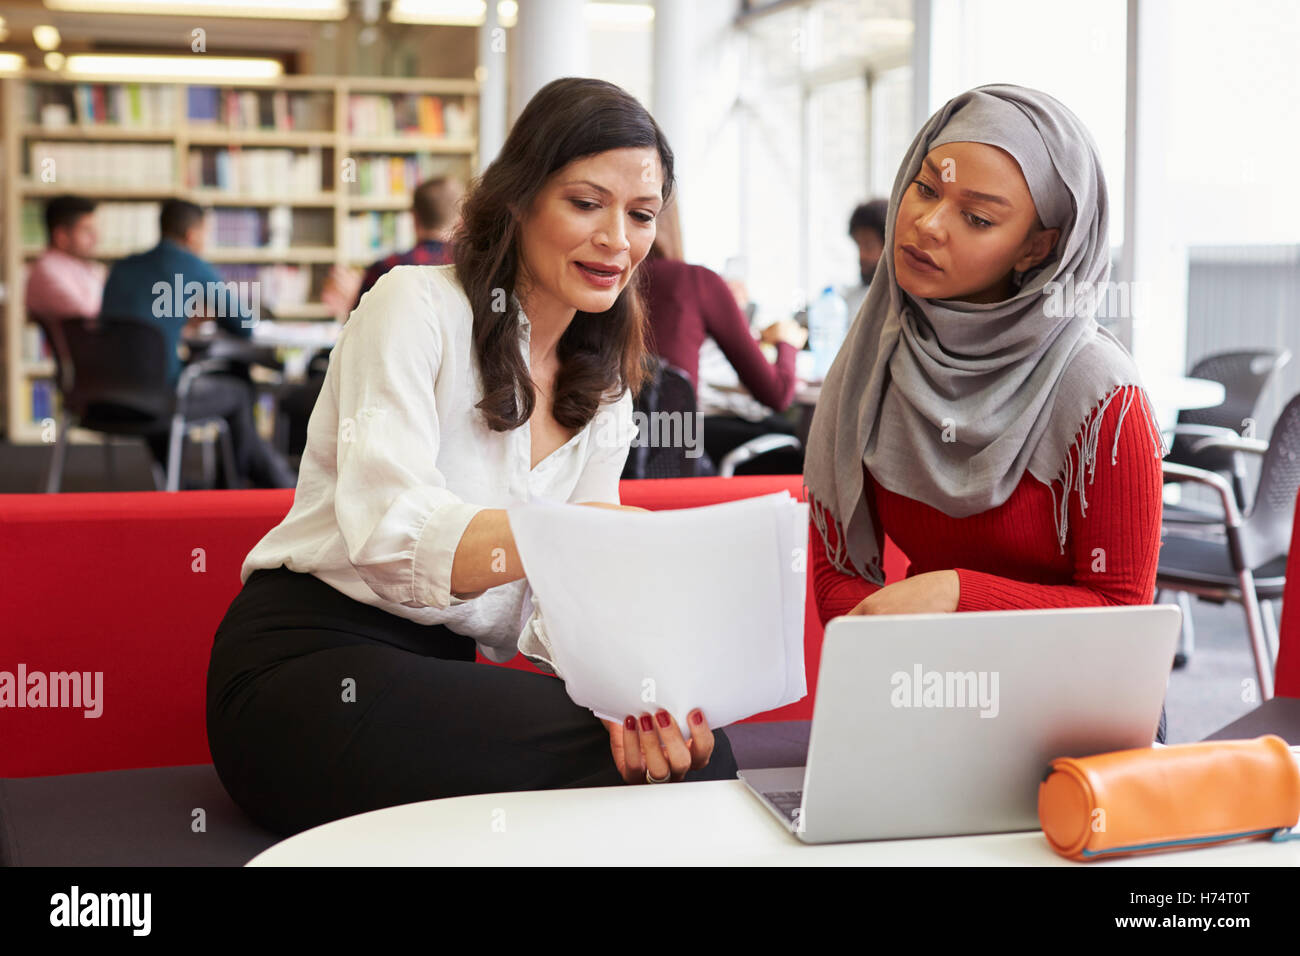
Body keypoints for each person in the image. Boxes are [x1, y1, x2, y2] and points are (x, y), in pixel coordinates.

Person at [206, 78, 737, 837]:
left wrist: (639, 694)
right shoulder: (414, 306)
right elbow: (390, 536)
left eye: (642, 214)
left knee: (690, 753)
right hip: (306, 666)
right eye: (586, 203)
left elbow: (570, 609)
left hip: (432, 676)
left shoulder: (605, 390)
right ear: (519, 200)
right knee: (669, 774)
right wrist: (577, 537)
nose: (618, 239)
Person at [802, 84, 1171, 743]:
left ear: (1036, 247)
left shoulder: (1099, 391)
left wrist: (954, 596)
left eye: (976, 219)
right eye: (924, 188)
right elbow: (837, 579)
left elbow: (1123, 616)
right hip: (921, 702)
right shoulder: (874, 358)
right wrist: (917, 672)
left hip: (1075, 724)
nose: (927, 225)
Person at [100, 199, 296, 489]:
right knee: (239, 390)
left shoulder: (122, 268)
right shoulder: (191, 266)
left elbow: (131, 324)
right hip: (159, 397)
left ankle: (192, 481)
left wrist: (180, 320)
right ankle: (247, 483)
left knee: (178, 376)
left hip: (106, 394)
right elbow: (242, 325)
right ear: (193, 234)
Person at [639, 202, 808, 474]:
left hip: (611, 454)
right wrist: (787, 342)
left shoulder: (600, 286)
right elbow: (778, 394)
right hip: (674, 462)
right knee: (788, 438)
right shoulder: (695, 281)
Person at [352, 176, 465, 310]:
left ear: (414, 218)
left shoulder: (384, 269)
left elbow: (360, 325)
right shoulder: (472, 268)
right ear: (462, 221)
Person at [25, 195, 106, 321]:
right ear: (61, 236)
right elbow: (88, 313)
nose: (96, 239)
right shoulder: (47, 271)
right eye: (87, 230)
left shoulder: (82, 267)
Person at [843, 198, 888, 318]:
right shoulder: (847, 298)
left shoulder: (900, 304)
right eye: (858, 245)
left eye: (869, 246)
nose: (861, 255)